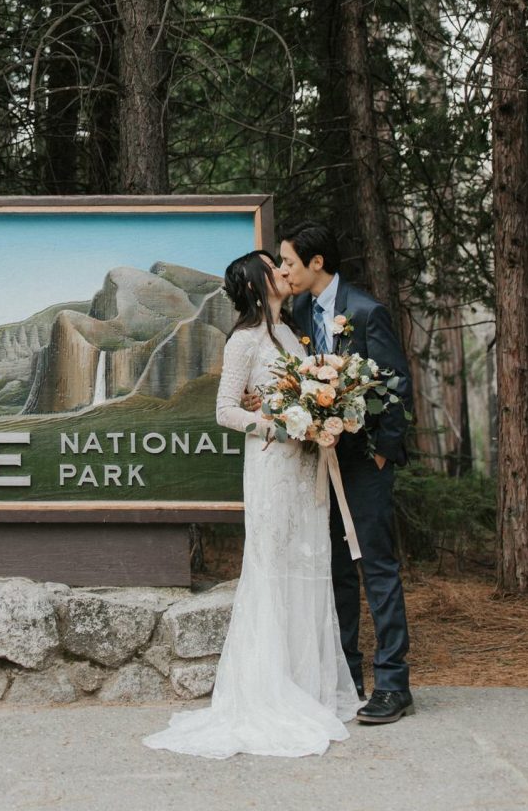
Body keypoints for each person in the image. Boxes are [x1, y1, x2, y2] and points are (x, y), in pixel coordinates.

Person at [143, 249, 360, 761]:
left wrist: (317, 411)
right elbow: (224, 410)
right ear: (258, 281)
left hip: (307, 465)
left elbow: (297, 389)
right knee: (273, 566)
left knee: (305, 564)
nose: (283, 272)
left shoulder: (289, 331)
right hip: (272, 466)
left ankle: (307, 685)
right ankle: (267, 690)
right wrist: (277, 426)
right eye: (274, 267)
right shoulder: (243, 340)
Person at [278, 221, 414, 725]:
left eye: (289, 261)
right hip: (321, 462)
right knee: (334, 568)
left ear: (317, 263)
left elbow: (396, 385)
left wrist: (382, 452)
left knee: (376, 567)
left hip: (364, 463)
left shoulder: (363, 310)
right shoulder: (296, 312)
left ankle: (394, 683)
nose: (284, 270)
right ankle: (347, 675)